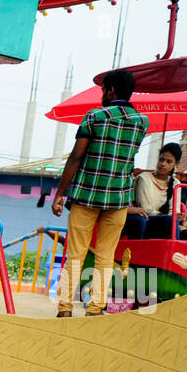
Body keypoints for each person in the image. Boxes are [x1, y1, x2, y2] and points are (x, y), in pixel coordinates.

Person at [51, 68, 147, 317]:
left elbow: (76, 156)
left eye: (104, 89)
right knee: (106, 255)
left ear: (112, 89)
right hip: (119, 200)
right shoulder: (142, 122)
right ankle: (95, 308)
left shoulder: (94, 117)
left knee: (76, 252)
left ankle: (64, 307)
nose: (102, 94)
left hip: (87, 195)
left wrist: (60, 193)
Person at [122, 142, 182, 240]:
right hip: (144, 218)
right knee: (170, 221)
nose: (163, 164)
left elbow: (174, 211)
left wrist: (179, 216)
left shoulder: (176, 183)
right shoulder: (144, 178)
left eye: (168, 161)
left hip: (161, 220)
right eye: (161, 160)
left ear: (176, 164)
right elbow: (146, 209)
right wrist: (167, 216)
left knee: (176, 223)